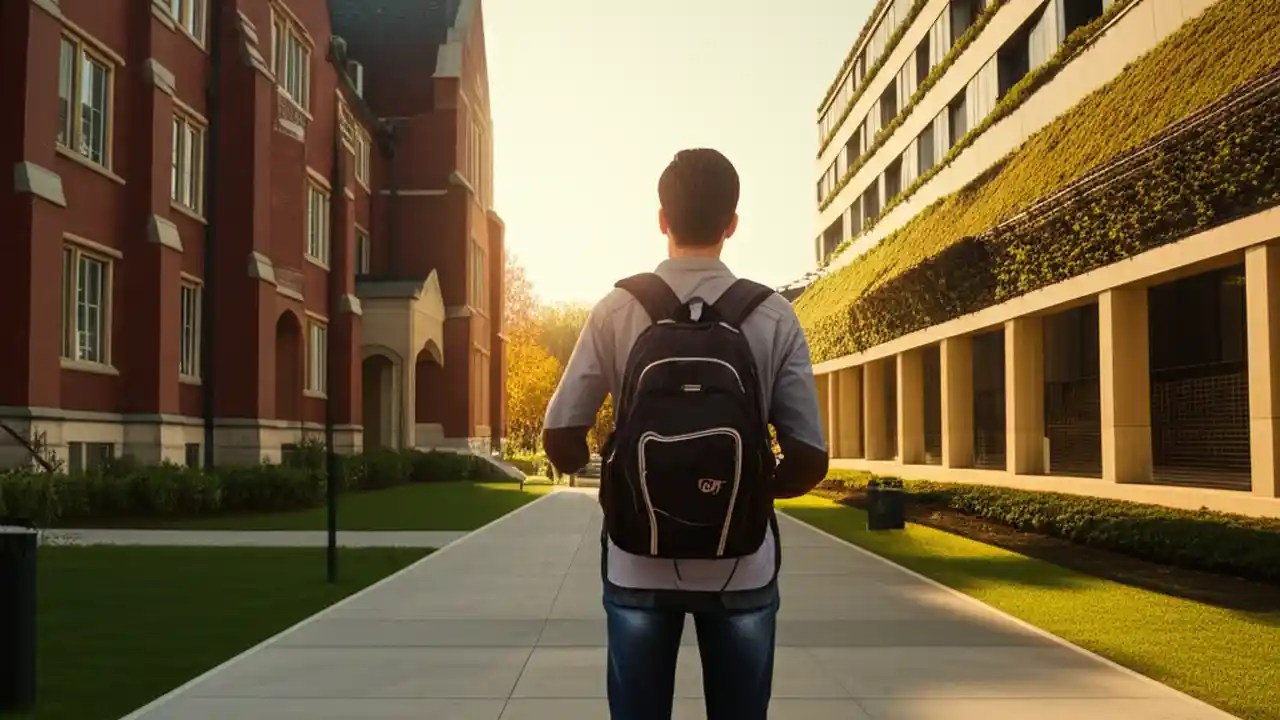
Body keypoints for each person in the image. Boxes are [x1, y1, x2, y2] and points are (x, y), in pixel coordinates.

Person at [542, 148, 828, 719]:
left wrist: (612, 467)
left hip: (636, 558)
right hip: (741, 563)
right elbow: (809, 459)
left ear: (662, 219)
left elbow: (559, 437)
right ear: (732, 223)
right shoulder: (772, 315)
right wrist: (740, 491)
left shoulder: (617, 309)